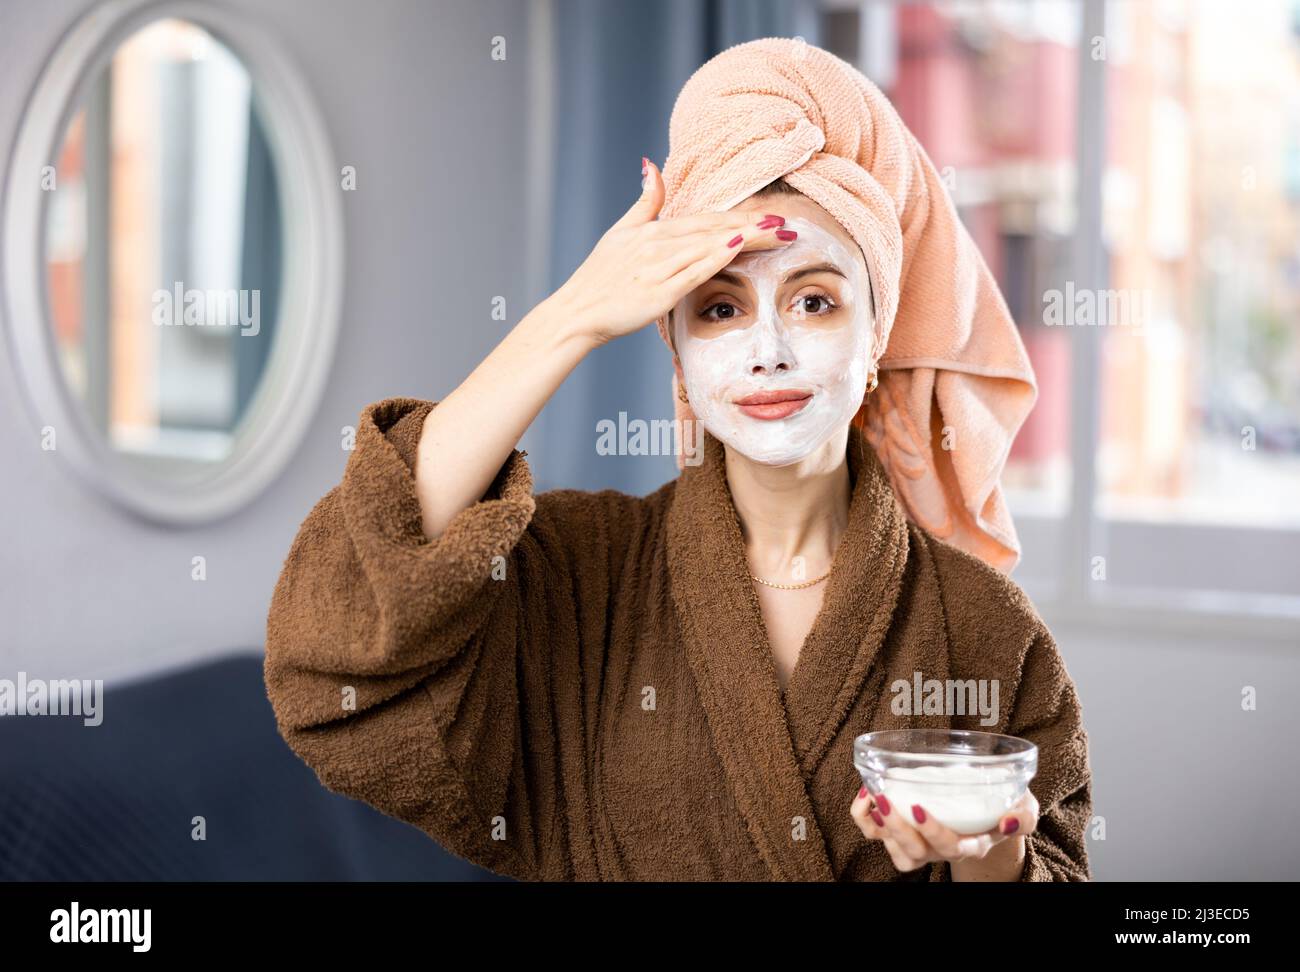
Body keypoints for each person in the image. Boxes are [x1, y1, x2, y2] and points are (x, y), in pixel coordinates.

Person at [263, 38, 1092, 882]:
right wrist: (574, 316)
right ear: (676, 346)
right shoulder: (578, 577)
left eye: (814, 301)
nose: (767, 350)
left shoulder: (985, 629)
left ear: (875, 339)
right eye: (721, 307)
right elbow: (346, 634)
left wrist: (990, 853)